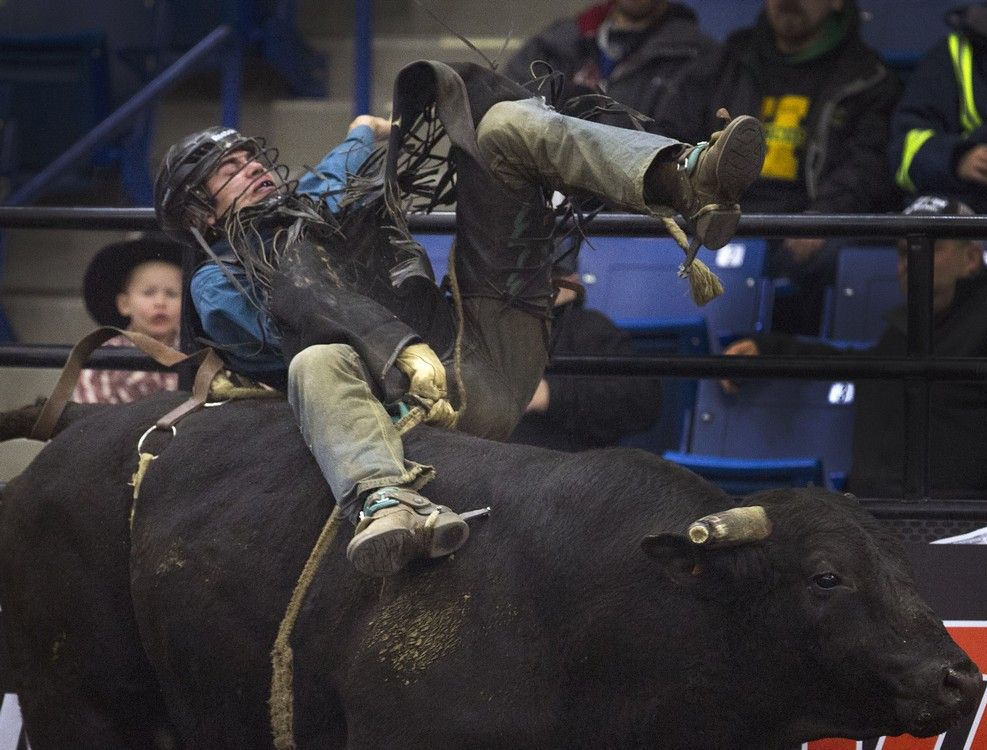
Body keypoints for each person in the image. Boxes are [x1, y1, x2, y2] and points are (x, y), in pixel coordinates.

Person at [154, 60, 765, 576]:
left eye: (249, 157)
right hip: (408, 411)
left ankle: (679, 175)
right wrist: (358, 144)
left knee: (500, 128)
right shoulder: (217, 281)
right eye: (228, 173)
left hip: (480, 352)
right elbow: (296, 317)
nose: (252, 168)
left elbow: (334, 179)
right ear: (202, 217)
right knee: (318, 357)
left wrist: (365, 138)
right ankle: (385, 502)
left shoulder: (317, 204)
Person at [722, 195, 987, 499]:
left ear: (971, 259)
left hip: (955, 518)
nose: (908, 263)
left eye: (928, 248)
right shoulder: (911, 325)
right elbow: (860, 365)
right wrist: (770, 350)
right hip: (883, 511)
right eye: (904, 253)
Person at [688, 0, 902, 335]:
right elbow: (686, 138)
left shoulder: (867, 77)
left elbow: (867, 168)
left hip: (800, 228)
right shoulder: (732, 59)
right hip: (720, 216)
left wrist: (821, 218)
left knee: (832, 258)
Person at [509, 255, 662, 451]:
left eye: (546, 275)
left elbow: (642, 401)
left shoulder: (590, 328)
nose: (531, 285)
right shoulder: (490, 328)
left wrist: (549, 395)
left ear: (573, 282)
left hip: (561, 465)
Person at [503, 0, 718, 137]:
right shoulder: (553, 45)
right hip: (548, 203)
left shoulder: (706, 61)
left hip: (647, 205)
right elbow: (502, 119)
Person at [888, 1, 987, 216]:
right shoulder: (952, 54)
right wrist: (957, 159)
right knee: (936, 233)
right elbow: (904, 153)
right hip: (972, 217)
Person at [72, 235, 183, 404]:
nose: (160, 302)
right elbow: (88, 415)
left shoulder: (195, 351)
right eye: (148, 292)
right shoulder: (103, 356)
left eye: (172, 293)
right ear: (124, 304)